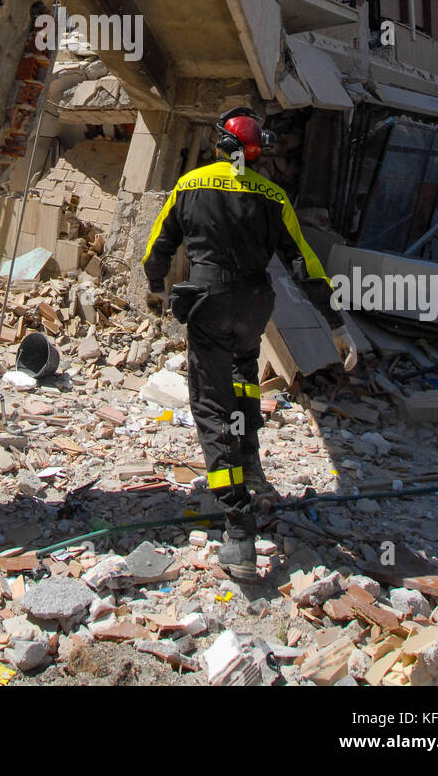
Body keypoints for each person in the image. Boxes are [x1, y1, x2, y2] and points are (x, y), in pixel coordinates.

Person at [142, 109, 357, 581]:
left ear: (219, 144)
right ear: (258, 152)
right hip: (253, 306)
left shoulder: (190, 185)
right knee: (243, 382)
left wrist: (157, 286)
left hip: (208, 306)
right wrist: (336, 324)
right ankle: (252, 465)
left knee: (210, 404)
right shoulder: (273, 195)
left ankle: (238, 523)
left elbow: (157, 245)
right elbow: (304, 262)